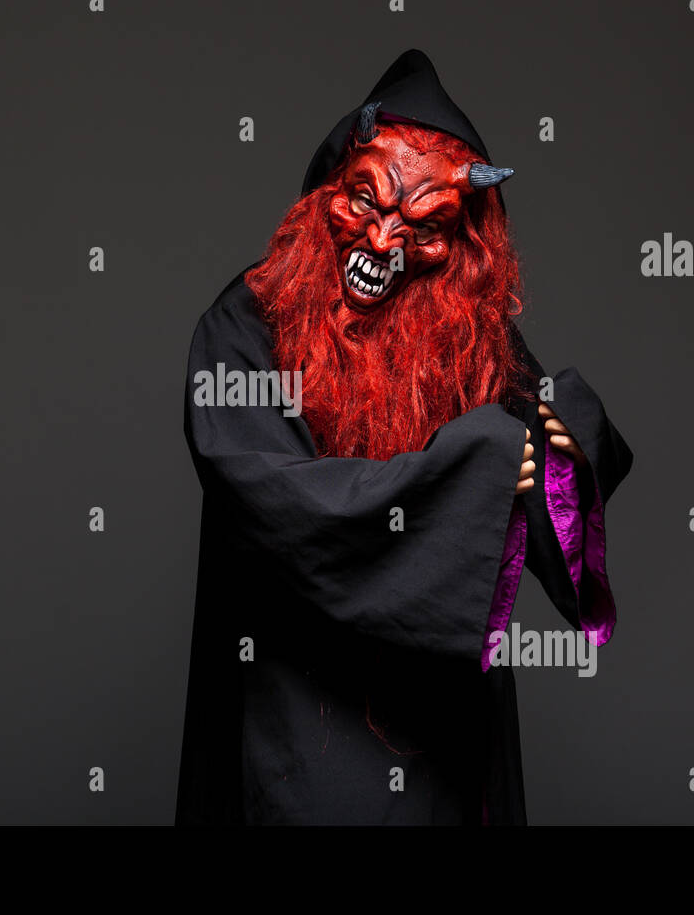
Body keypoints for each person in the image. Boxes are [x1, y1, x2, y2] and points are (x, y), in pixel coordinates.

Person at [176, 49, 633, 825]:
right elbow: (267, 493)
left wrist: (558, 446)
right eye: (366, 201)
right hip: (299, 726)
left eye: (423, 228)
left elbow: (550, 442)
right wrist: (482, 469)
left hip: (443, 743)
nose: (384, 242)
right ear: (333, 184)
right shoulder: (248, 324)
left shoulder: (472, 335)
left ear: (461, 246)